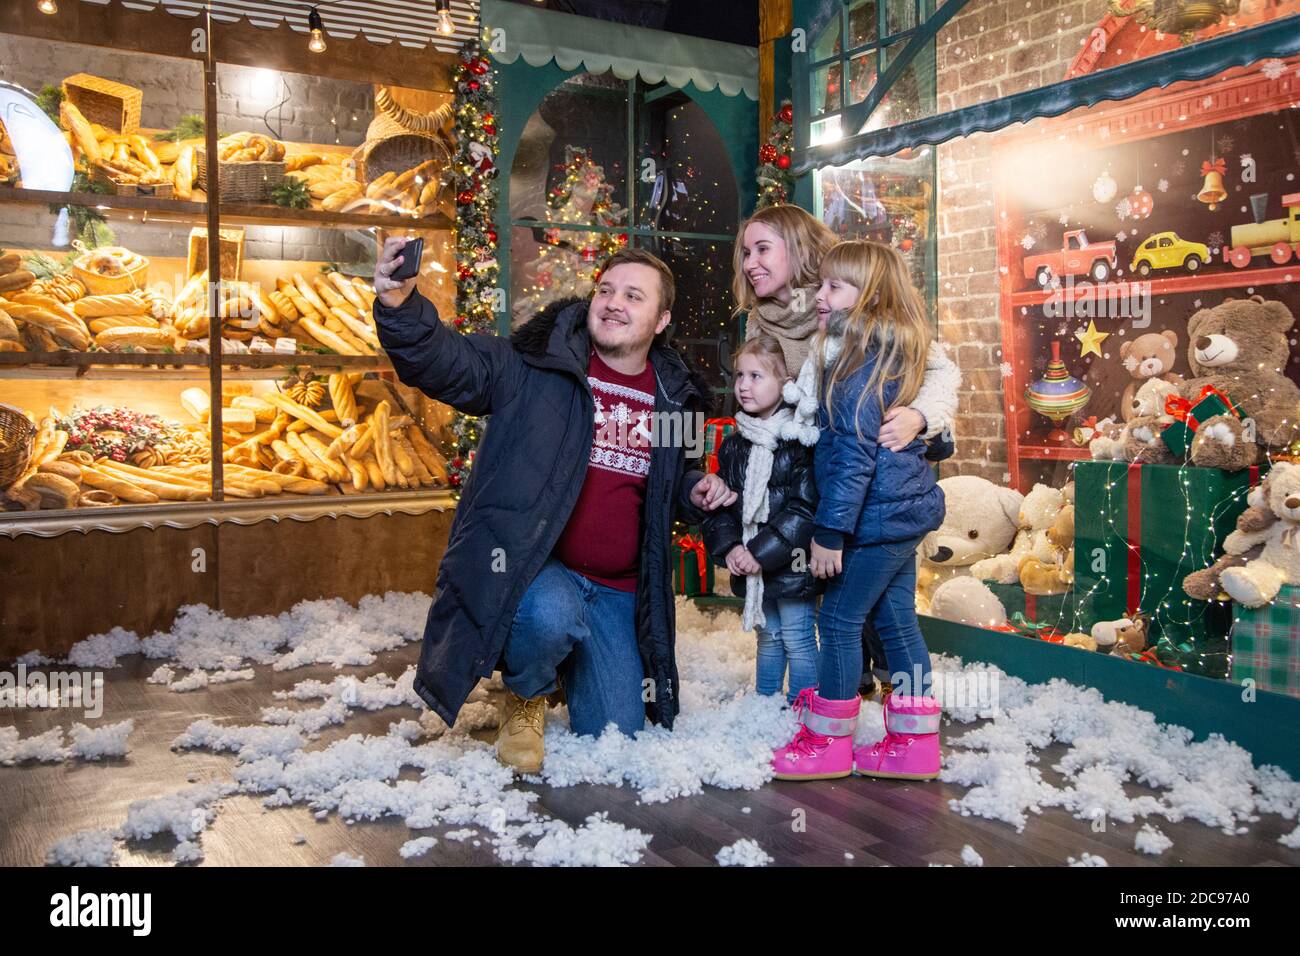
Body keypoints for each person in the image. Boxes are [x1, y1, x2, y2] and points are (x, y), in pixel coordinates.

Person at [372, 241, 735, 775]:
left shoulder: (672, 395)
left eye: (633, 296)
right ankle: (526, 692)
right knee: (548, 616)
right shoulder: (537, 366)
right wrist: (401, 305)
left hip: (620, 590)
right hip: (545, 574)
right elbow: (446, 362)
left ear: (660, 321)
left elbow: (677, 471)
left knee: (615, 733)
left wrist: (694, 489)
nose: (613, 303)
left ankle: (565, 667)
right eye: (606, 290)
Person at [732, 203, 959, 695]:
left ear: (799, 252)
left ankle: (840, 712)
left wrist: (922, 418)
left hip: (862, 484)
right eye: (745, 252)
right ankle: (894, 708)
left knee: (846, 610)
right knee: (848, 601)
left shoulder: (844, 308)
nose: (750, 262)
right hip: (818, 476)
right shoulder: (764, 324)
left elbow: (931, 371)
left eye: (763, 249)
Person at [771, 240, 946, 782]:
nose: (819, 296)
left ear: (868, 298)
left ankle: (828, 742)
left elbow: (852, 459)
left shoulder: (855, 366)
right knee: (897, 626)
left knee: (839, 620)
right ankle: (915, 746)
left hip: (873, 520)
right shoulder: (892, 353)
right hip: (902, 516)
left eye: (833, 287)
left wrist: (829, 532)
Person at [701, 334, 820, 704]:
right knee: (768, 634)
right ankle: (765, 704)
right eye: (739, 375)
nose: (743, 385)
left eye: (756, 376)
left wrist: (760, 551)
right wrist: (733, 547)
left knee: (797, 637)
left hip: (794, 564)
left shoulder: (799, 441)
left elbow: (803, 510)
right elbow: (722, 507)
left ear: (784, 386)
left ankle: (806, 712)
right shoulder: (735, 443)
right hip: (756, 564)